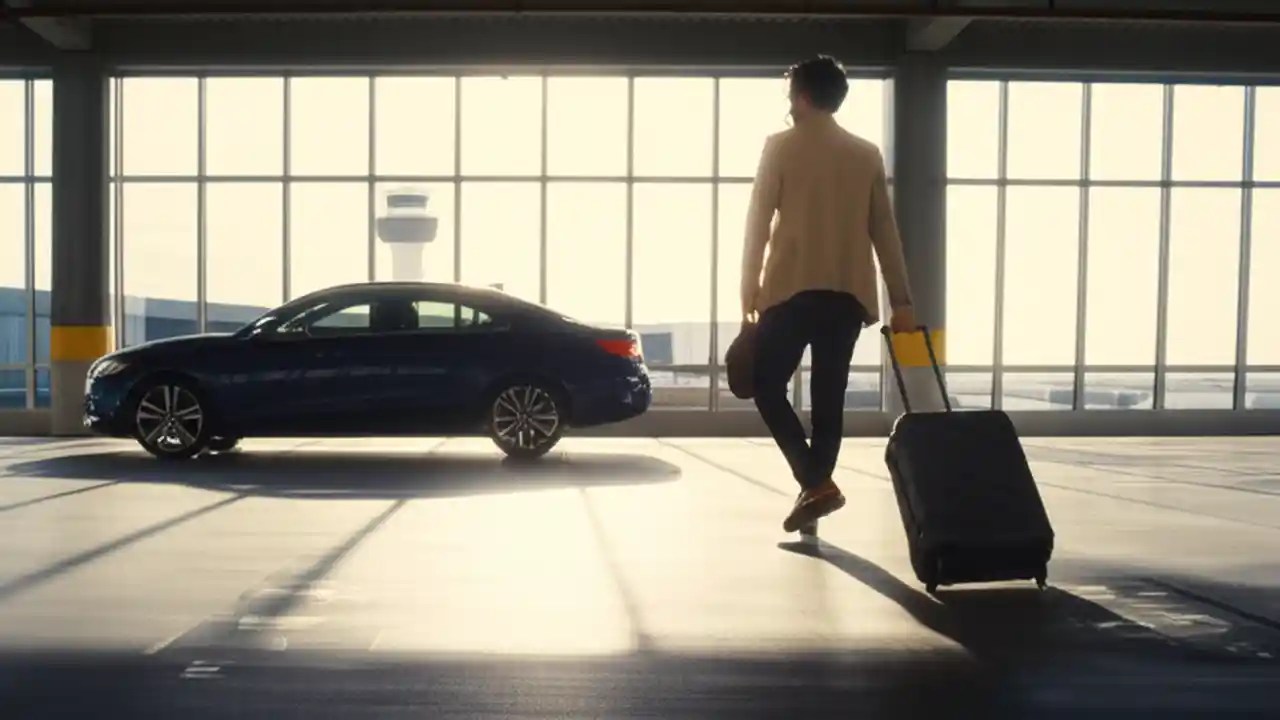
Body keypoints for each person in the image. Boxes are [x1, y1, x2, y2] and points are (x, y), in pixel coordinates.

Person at [740, 55, 916, 533]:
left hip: (789, 291)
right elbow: (885, 232)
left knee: (765, 384)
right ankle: (814, 488)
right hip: (846, 296)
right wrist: (902, 301)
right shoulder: (866, 154)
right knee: (829, 401)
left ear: (800, 96)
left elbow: (757, 225)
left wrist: (748, 293)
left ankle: (815, 481)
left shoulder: (779, 147)